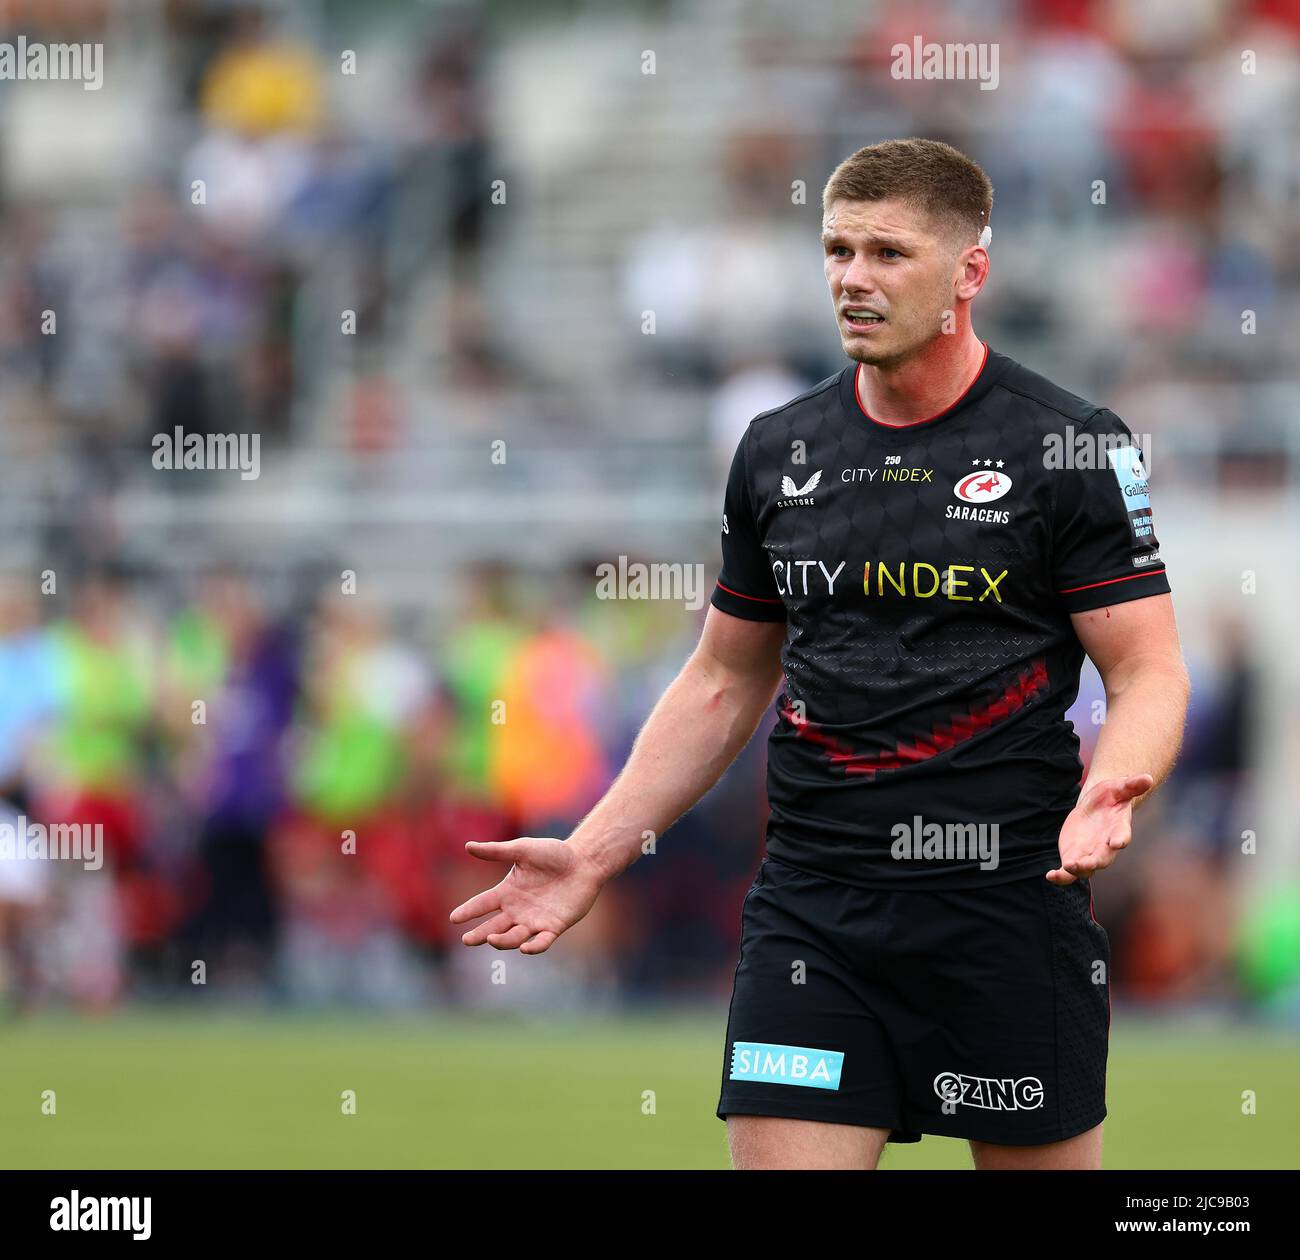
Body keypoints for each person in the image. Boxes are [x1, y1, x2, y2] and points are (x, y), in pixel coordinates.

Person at [450, 138, 1190, 1170]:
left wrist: (1115, 782)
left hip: (1007, 908)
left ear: (969, 272)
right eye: (838, 250)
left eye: (889, 253)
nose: (853, 278)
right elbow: (724, 677)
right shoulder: (775, 450)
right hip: (815, 915)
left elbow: (1147, 667)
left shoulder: (1071, 445)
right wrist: (595, 850)